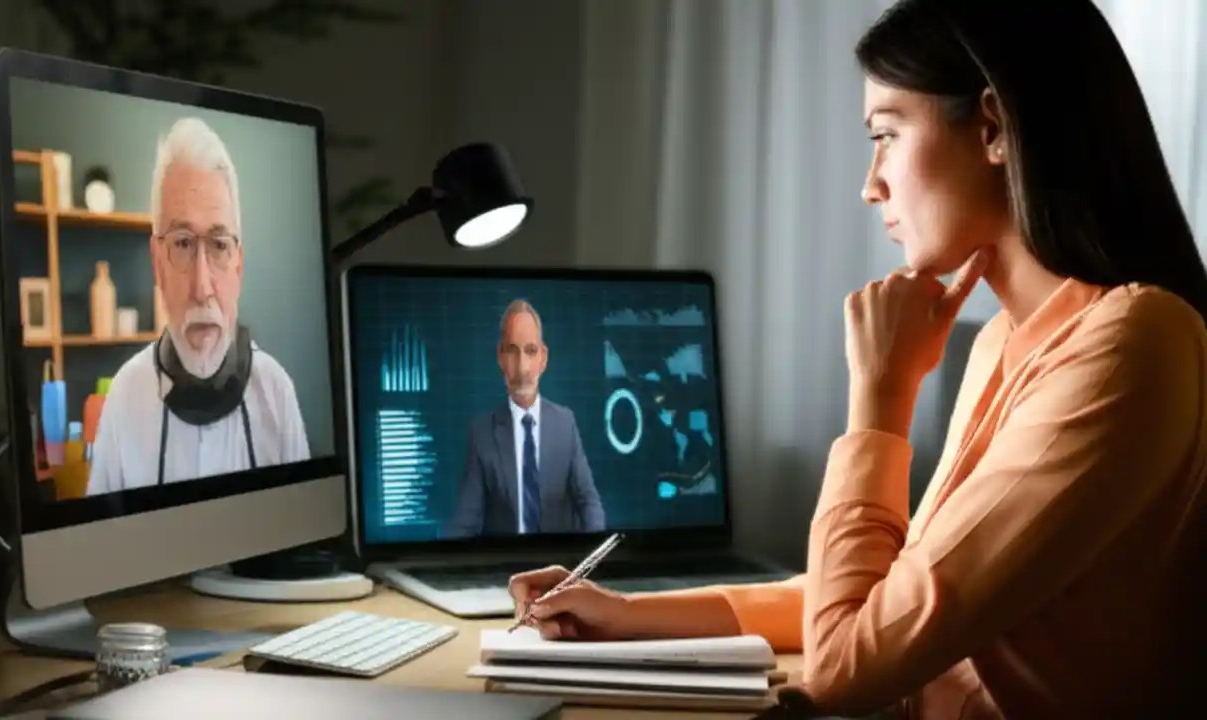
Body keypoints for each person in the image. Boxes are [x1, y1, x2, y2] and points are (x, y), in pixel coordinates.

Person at [507, 1, 1207, 717]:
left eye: (886, 136)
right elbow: (900, 598)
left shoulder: (1132, 341)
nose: (871, 185)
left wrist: (881, 394)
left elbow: (846, 665)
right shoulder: (1004, 340)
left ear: (993, 127)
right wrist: (624, 613)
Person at [87, 117, 309, 494]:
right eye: (183, 243)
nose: (202, 287)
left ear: (239, 266)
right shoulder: (125, 397)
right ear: (157, 263)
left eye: (220, 245)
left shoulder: (277, 393)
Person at [446, 299, 606, 537]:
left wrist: (589, 557)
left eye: (530, 351)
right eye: (512, 351)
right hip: (506, 567)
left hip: (559, 566)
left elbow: (589, 504)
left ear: (543, 358)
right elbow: (465, 522)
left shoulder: (565, 423)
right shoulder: (481, 433)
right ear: (500, 357)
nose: (522, 368)